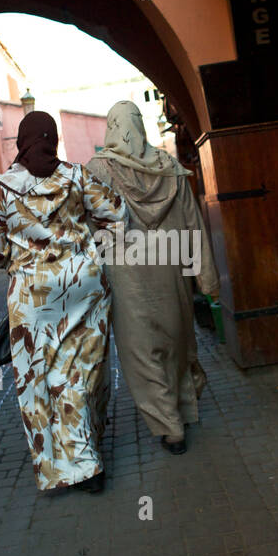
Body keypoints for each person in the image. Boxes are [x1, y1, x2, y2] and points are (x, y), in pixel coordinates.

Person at [0, 110, 127, 493]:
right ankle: (87, 456)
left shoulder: (2, 187)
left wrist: (14, 260)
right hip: (82, 287)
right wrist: (93, 250)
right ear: (53, 139)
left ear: (21, 142)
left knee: (40, 379)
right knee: (80, 372)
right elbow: (117, 213)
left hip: (33, 296)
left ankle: (71, 467)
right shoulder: (77, 176)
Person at [87, 100, 220, 454]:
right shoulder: (169, 168)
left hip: (125, 277)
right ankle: (184, 410)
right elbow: (194, 227)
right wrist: (206, 279)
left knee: (142, 352)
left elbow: (87, 230)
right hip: (171, 269)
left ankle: (169, 425)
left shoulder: (97, 170)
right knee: (177, 341)